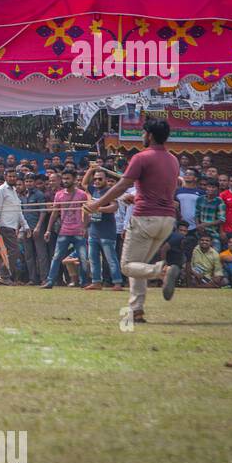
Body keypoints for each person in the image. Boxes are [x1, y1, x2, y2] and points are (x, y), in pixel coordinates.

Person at [83, 118, 181, 322]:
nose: (141, 136)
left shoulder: (141, 157)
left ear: (150, 135)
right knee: (139, 264)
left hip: (145, 218)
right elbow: (165, 189)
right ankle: (136, 310)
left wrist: (96, 204)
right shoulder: (173, 160)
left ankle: (162, 271)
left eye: (143, 133)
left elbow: (120, 186)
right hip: (166, 220)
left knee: (127, 266)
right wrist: (136, 197)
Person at [44, 170, 90, 289]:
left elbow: (87, 213)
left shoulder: (82, 195)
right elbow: (54, 213)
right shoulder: (59, 195)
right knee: (56, 257)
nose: (65, 181)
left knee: (82, 258)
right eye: (64, 178)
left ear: (74, 180)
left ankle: (84, 282)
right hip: (64, 231)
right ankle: (50, 281)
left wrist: (84, 227)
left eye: (68, 178)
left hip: (78, 231)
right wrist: (48, 230)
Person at [0, 168, 23, 284]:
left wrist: (25, 225)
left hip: (12, 225)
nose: (12, 178)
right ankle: (3, 276)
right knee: (14, 250)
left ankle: (0, 277)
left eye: (14, 176)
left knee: (3, 253)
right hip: (3, 226)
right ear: (5, 177)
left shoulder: (13, 191)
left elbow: (18, 210)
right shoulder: (1, 190)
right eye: (10, 176)